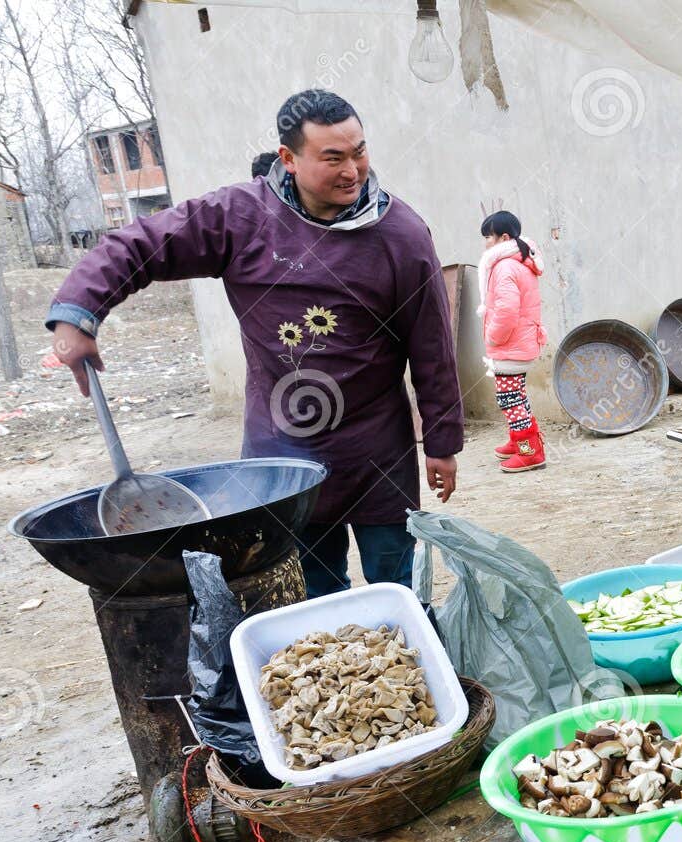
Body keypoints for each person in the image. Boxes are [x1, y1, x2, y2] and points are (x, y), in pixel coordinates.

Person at [47, 89, 463, 600]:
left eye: (359, 151)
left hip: (376, 448)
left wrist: (442, 442)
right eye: (332, 158)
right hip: (281, 456)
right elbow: (139, 244)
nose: (352, 170)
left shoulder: (400, 234)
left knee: (397, 586)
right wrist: (77, 313)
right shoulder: (240, 219)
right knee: (316, 591)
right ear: (288, 159)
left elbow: (432, 346)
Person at [479, 210, 547, 473]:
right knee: (514, 394)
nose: (485, 242)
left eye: (488, 236)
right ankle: (518, 440)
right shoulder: (519, 261)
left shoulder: (505, 266)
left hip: (510, 344)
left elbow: (507, 310)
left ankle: (530, 452)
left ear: (503, 237)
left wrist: (492, 337)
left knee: (509, 397)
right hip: (520, 342)